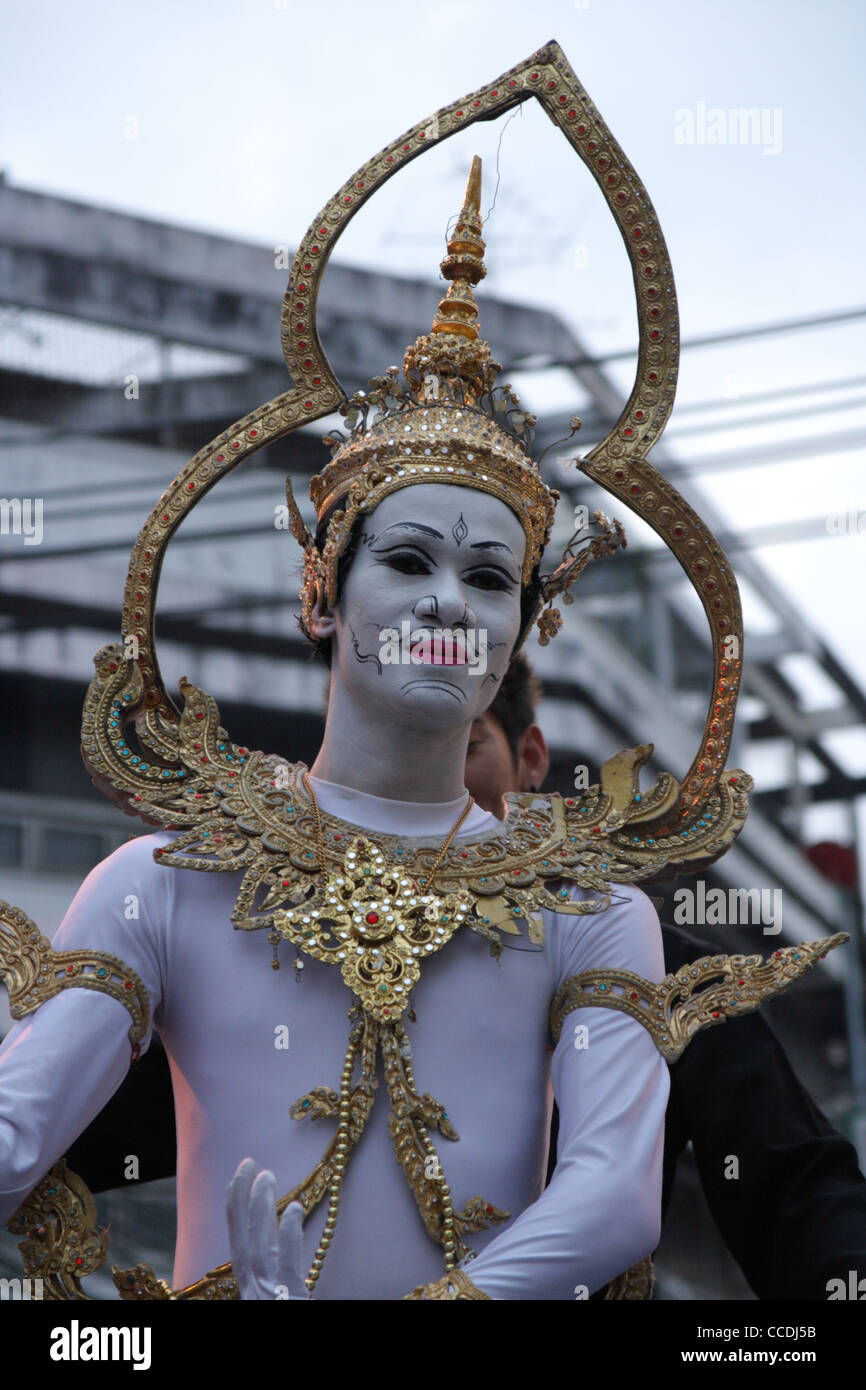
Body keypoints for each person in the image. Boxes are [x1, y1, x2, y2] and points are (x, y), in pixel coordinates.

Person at [0, 159, 838, 1303]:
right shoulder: (166, 880)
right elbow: (16, 1132)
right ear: (322, 595)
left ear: (521, 627)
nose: (449, 601)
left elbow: (608, 1193)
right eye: (405, 560)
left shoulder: (584, 909)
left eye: (490, 578)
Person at [465, 653, 866, 1302]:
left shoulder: (642, 959)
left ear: (530, 756)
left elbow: (796, 1190)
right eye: (398, 752)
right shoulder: (285, 937)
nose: (430, 783)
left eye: (464, 745)